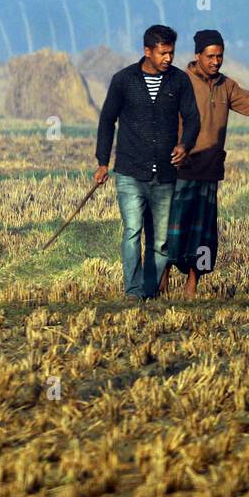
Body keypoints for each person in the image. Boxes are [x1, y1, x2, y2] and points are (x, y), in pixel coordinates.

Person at [163, 30, 249, 296]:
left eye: (220, 56)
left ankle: (192, 283)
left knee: (203, 232)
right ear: (197, 55)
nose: (216, 61)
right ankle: (161, 276)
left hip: (210, 170)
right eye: (210, 56)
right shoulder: (179, 82)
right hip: (181, 169)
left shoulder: (226, 86)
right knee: (172, 228)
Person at [94, 25, 200, 300]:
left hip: (165, 175)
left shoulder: (179, 81)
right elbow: (107, 120)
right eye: (163, 53)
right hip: (130, 171)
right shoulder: (124, 80)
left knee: (160, 241)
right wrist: (103, 162)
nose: (168, 58)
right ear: (147, 51)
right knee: (132, 231)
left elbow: (192, 119)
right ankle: (133, 292)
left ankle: (149, 293)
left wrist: (184, 144)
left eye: (172, 53)